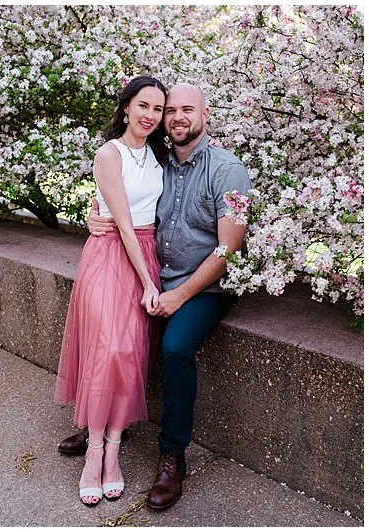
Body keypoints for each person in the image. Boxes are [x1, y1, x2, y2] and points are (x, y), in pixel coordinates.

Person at [80, 83, 250, 511]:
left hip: (205, 285)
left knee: (173, 347)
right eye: (166, 110)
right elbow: (123, 197)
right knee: (115, 340)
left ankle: (172, 455)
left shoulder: (227, 169)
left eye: (183, 110)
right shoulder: (161, 160)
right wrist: (94, 214)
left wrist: (178, 297)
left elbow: (229, 248)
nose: (173, 117)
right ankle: (95, 429)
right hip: (155, 274)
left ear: (204, 114)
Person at [53, 76, 168, 507]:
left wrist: (150, 273)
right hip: (111, 257)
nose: (150, 116)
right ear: (125, 106)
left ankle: (114, 448)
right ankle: (94, 451)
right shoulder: (109, 153)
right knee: (108, 351)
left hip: (147, 251)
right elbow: (120, 221)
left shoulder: (159, 154)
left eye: (157, 109)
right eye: (143, 105)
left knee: (132, 352)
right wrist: (147, 282)